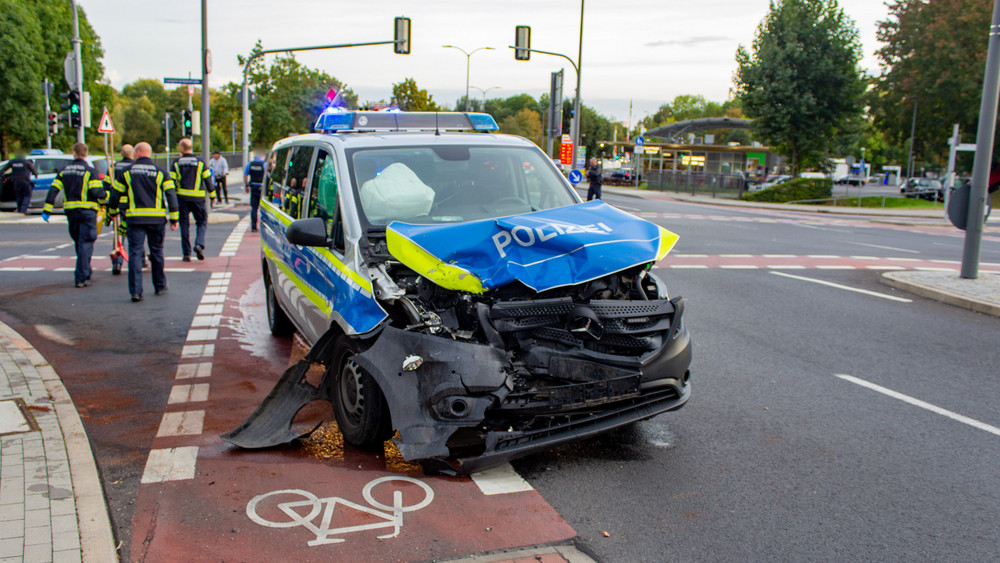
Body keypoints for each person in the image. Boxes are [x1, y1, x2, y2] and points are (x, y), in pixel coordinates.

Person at [106, 142, 178, 302]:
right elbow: (171, 195)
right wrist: (174, 218)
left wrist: (112, 213)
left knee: (135, 253)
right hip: (156, 219)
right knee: (157, 252)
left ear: (138, 152)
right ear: (149, 153)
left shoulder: (127, 172)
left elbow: (115, 194)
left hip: (134, 218)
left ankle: (136, 291)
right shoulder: (161, 173)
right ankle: (160, 286)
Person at [42, 143, 105, 288]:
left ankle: (86, 271)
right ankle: (81, 277)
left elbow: (53, 189)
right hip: (87, 212)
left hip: (71, 213)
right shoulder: (90, 171)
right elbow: (96, 192)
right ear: (86, 154)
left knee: (79, 242)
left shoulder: (64, 171)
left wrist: (47, 210)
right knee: (86, 243)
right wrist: (106, 195)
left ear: (74, 153)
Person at [171, 138, 214, 261]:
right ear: (191, 148)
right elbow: (208, 180)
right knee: (201, 222)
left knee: (184, 225)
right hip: (198, 198)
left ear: (181, 148)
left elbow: (172, 182)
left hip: (182, 198)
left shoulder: (176, 163)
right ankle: (199, 244)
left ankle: (186, 254)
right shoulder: (200, 162)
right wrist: (212, 195)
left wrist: (172, 199)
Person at [104, 144, 135, 275]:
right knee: (135, 233)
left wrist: (108, 206)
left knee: (118, 233)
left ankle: (117, 263)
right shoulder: (134, 168)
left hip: (117, 204)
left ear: (121, 154)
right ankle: (140, 259)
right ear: (132, 154)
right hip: (131, 204)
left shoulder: (113, 167)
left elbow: (106, 186)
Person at [244, 151, 266, 232]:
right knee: (264, 208)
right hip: (262, 187)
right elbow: (267, 175)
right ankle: (264, 227)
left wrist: (246, 185)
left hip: (253, 187)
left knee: (254, 208)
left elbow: (245, 175)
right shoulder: (264, 164)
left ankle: (253, 227)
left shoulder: (250, 164)